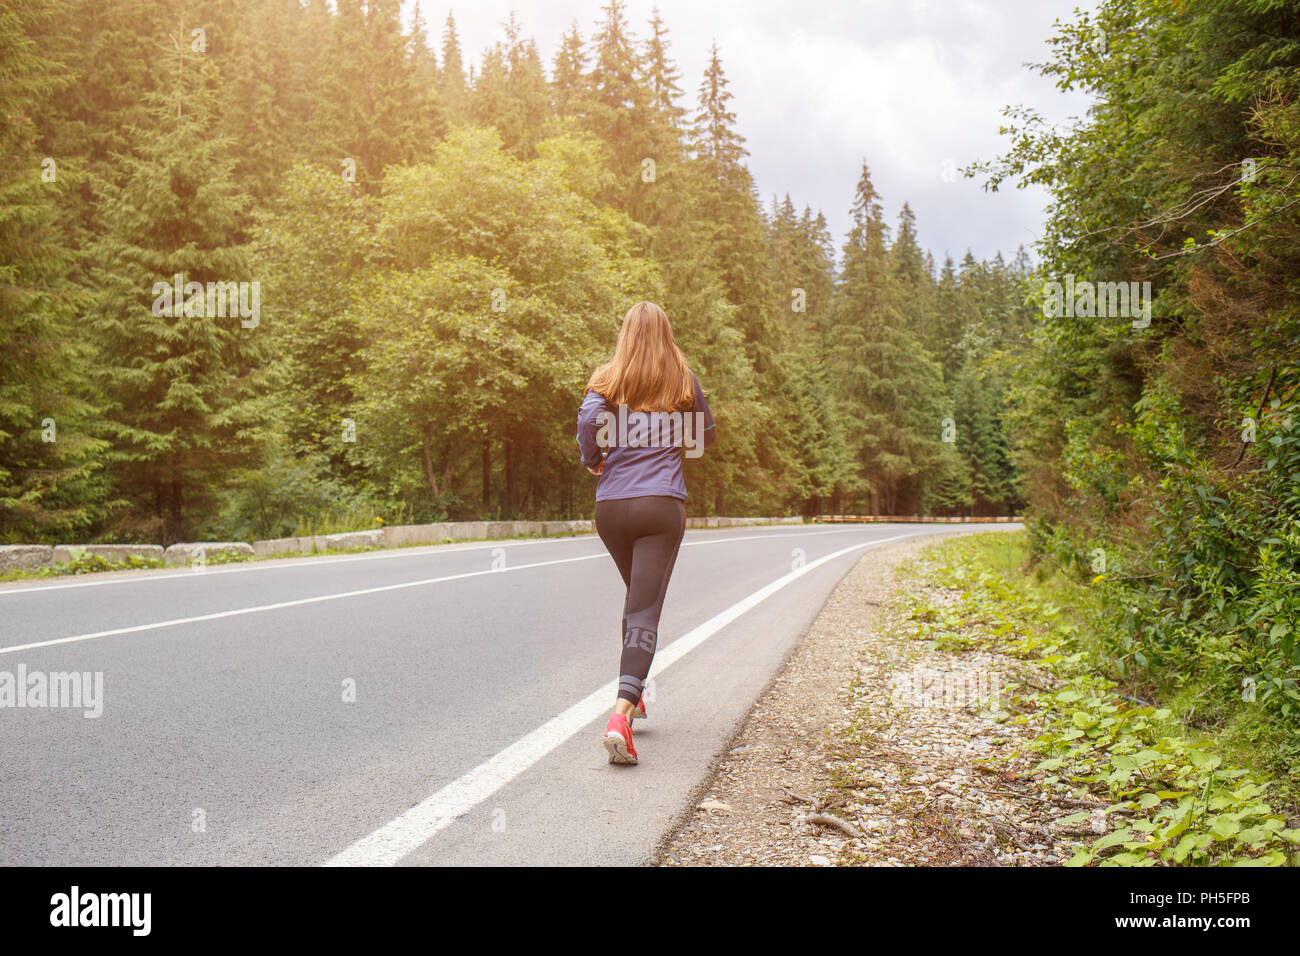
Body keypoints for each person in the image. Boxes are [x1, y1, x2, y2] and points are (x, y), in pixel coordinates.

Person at [575, 302, 716, 765]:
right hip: (660, 507)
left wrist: (593, 459)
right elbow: (707, 435)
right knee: (644, 610)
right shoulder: (681, 378)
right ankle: (619, 715)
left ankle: (633, 698)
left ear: (625, 334)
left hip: (612, 509)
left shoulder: (606, 378)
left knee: (637, 601)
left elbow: (586, 424)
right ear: (666, 333)